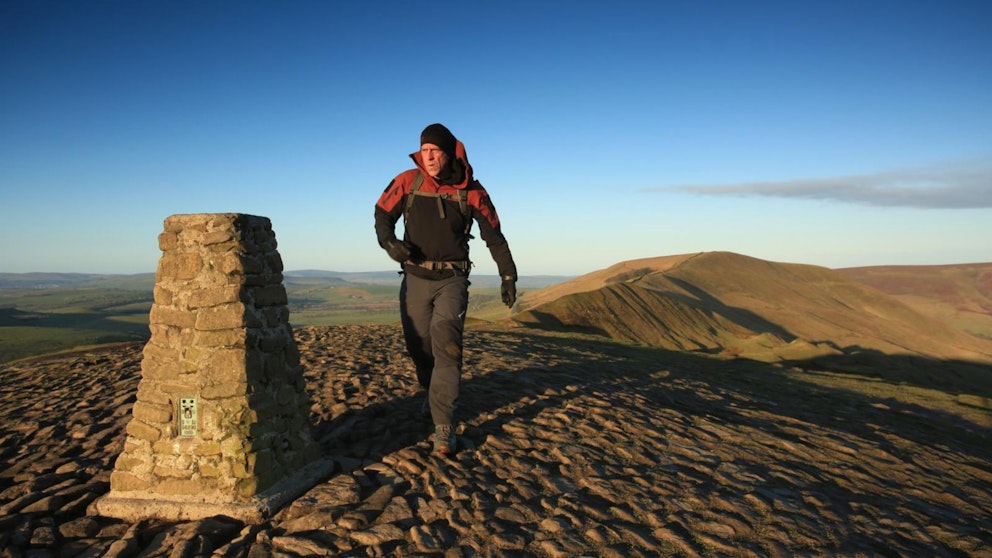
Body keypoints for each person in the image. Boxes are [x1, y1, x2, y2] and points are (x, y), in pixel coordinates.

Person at [374, 123, 517, 455]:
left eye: (435, 151)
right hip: (414, 279)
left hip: (452, 280)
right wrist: (389, 243)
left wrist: (507, 276)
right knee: (419, 348)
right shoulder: (408, 181)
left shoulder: (473, 192)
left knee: (447, 347)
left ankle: (444, 427)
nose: (429, 157)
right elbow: (382, 214)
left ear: (450, 153)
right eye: (424, 151)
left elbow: (494, 236)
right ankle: (429, 392)